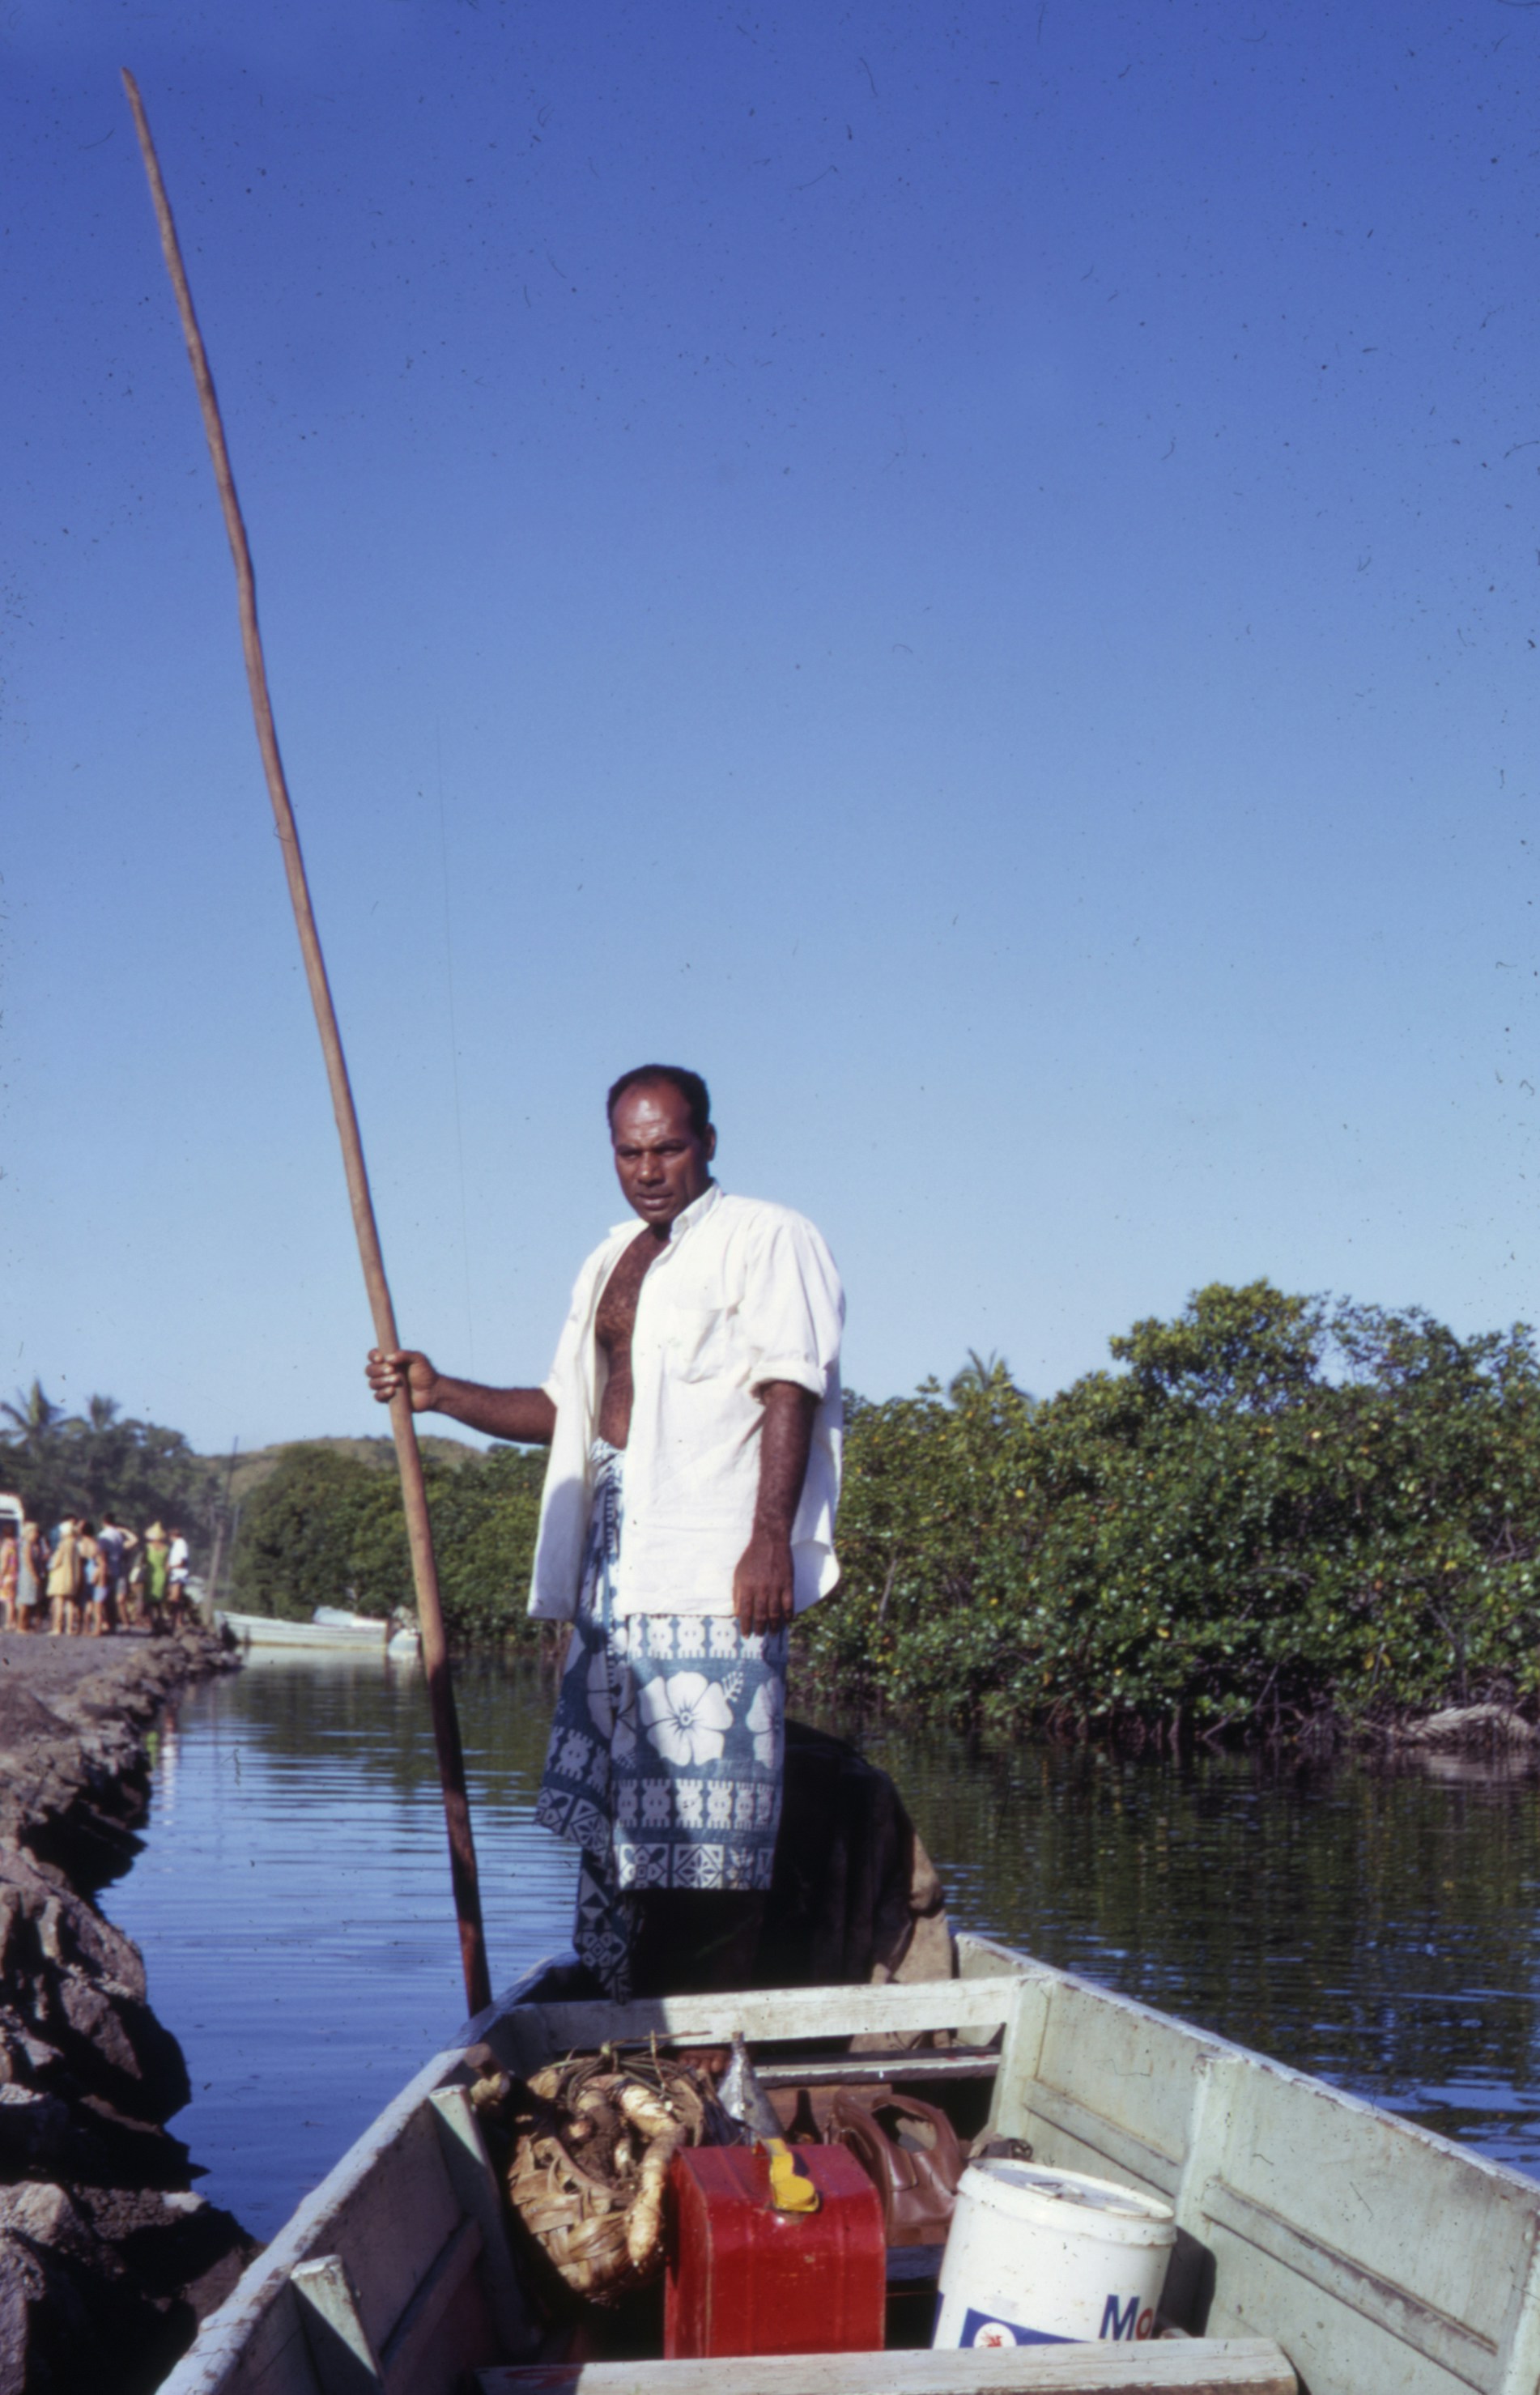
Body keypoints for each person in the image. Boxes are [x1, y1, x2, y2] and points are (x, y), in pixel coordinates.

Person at [368, 1065, 844, 2001]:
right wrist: (441, 1395)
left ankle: (705, 2035)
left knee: (710, 1826)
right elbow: (568, 1408)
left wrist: (767, 1540)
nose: (650, 1168)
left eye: (669, 1147)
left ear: (708, 1142)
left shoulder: (769, 1236)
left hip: (713, 1568)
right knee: (621, 1824)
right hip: (615, 1572)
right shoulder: (611, 1258)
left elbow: (791, 1385)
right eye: (630, 1152)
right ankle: (627, 2019)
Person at [47, 1518, 83, 1636]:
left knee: (59, 1603)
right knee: (70, 1603)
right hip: (72, 1576)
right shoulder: (76, 1544)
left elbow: (57, 1561)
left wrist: (51, 1566)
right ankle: (69, 1628)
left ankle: (57, 1628)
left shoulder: (63, 1544)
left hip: (61, 1576)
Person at [143, 1524, 170, 1630]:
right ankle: (160, 1623)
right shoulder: (166, 1548)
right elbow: (167, 1565)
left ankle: (152, 1624)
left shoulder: (148, 1547)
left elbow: (144, 1560)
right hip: (161, 1574)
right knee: (158, 1602)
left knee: (149, 1601)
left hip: (151, 1574)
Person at [166, 1528, 191, 1627]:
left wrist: (171, 1566)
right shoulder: (177, 1544)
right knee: (175, 1599)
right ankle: (176, 1620)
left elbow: (182, 1561)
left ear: (173, 1536)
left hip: (179, 1574)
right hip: (175, 1574)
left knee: (175, 1598)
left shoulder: (181, 1544)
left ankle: (178, 1621)